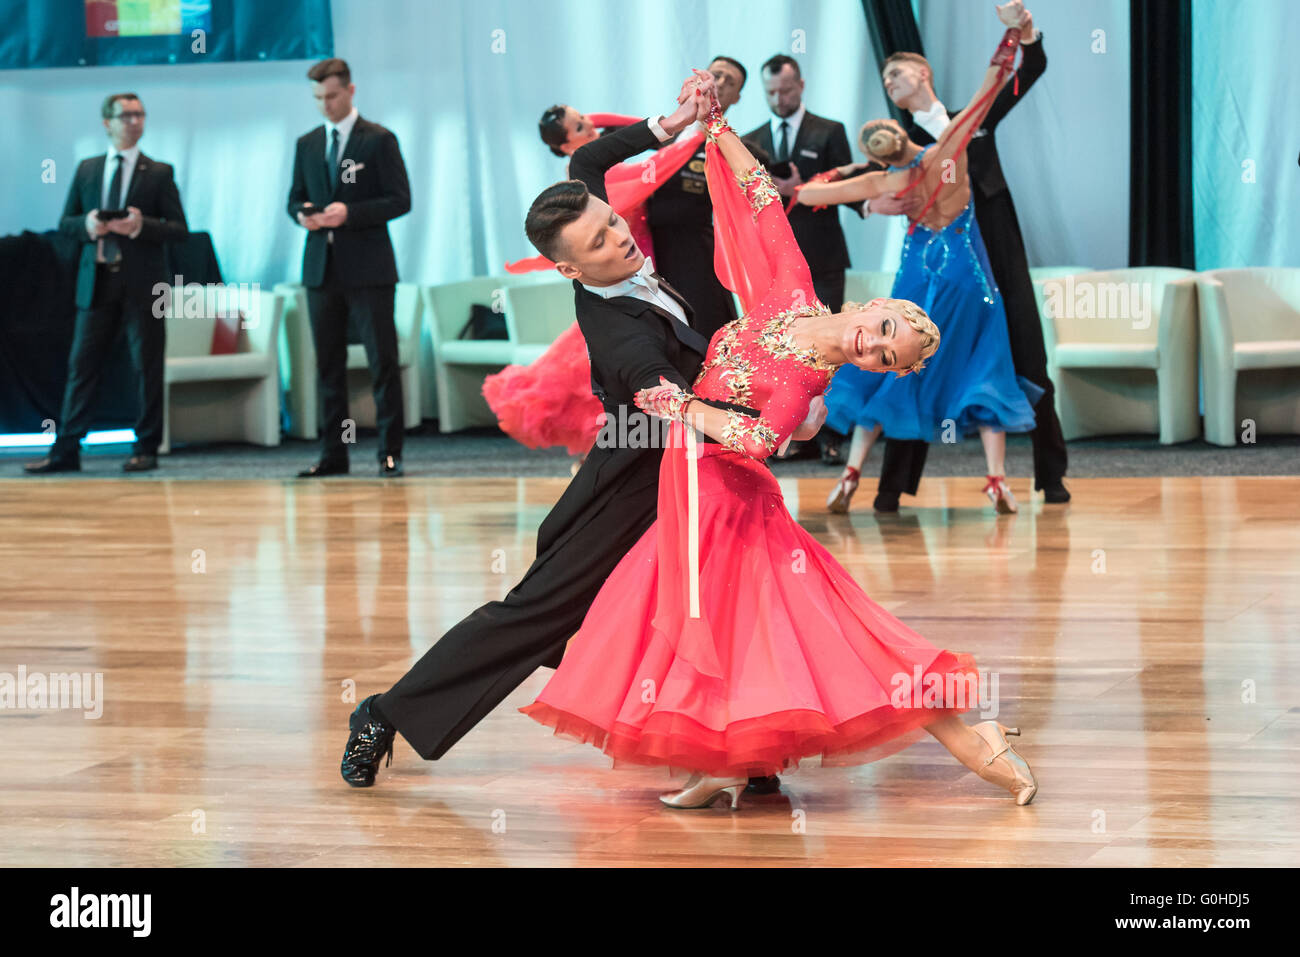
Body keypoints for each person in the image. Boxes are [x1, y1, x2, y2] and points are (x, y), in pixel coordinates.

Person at [518, 70, 1038, 811]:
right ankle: (725, 759)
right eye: (888, 329)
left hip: (727, 503)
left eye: (886, 357)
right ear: (879, 305)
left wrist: (696, 411)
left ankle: (973, 737)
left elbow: (759, 439)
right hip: (689, 488)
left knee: (829, 637)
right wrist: (720, 132)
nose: (875, 344)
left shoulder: (808, 379)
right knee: (715, 632)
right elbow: (763, 203)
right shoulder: (791, 295)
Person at [340, 76, 783, 795]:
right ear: (570, 269)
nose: (621, 239)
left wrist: (669, 122)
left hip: (692, 473)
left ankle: (743, 750)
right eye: (602, 242)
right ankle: (383, 714)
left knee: (721, 597)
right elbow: (656, 390)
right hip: (635, 480)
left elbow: (593, 160)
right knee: (539, 615)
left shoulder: (591, 221)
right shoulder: (615, 327)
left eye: (613, 223)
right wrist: (735, 417)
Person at [797, 5, 1043, 515]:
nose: (889, 83)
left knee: (885, 368)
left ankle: (850, 472)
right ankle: (997, 480)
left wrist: (793, 188)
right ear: (902, 135)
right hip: (964, 274)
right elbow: (989, 90)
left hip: (915, 276)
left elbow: (814, 195)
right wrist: (1009, 38)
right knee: (982, 364)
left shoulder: (886, 179)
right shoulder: (945, 150)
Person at [484, 62, 752, 466]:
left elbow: (603, 143)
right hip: (622, 292)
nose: (590, 126)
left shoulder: (598, 165)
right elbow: (628, 164)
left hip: (652, 276)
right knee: (633, 390)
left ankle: (681, 451)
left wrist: (680, 115)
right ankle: (625, 456)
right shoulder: (582, 191)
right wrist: (689, 129)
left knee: (654, 385)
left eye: (586, 119)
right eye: (579, 126)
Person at [865, 0, 1069, 510]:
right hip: (940, 267)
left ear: (923, 73)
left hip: (996, 249)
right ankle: (891, 489)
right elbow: (859, 183)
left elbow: (1031, 69)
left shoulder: (973, 116)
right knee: (912, 357)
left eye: (898, 71)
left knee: (1028, 356)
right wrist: (870, 204)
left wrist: (1024, 30)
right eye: (885, 77)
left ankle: (1051, 477)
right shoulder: (898, 144)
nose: (890, 79)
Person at [25, 92, 188, 475]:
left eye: (139, 114)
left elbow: (180, 230)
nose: (134, 121)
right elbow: (66, 223)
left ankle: (146, 446)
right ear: (107, 123)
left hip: (142, 284)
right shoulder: (88, 169)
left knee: (145, 366)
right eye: (126, 115)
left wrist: (140, 226)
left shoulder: (160, 172)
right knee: (82, 366)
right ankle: (66, 450)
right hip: (96, 281)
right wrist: (88, 225)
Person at [287, 57, 411, 478]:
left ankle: (388, 452)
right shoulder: (306, 143)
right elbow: (294, 197)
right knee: (328, 367)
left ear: (351, 91)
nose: (326, 105)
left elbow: (400, 200)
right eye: (318, 98)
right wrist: (303, 214)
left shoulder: (378, 139)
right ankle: (334, 455)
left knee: (382, 362)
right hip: (321, 268)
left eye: (333, 96)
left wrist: (349, 213)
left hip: (369, 269)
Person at [741, 54, 863, 464]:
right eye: (771, 92)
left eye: (786, 90)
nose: (779, 98)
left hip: (823, 257)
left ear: (802, 85)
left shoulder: (830, 131)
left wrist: (801, 191)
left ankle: (830, 437)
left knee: (832, 347)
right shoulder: (752, 137)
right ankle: (788, 434)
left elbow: (850, 191)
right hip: (775, 266)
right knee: (783, 348)